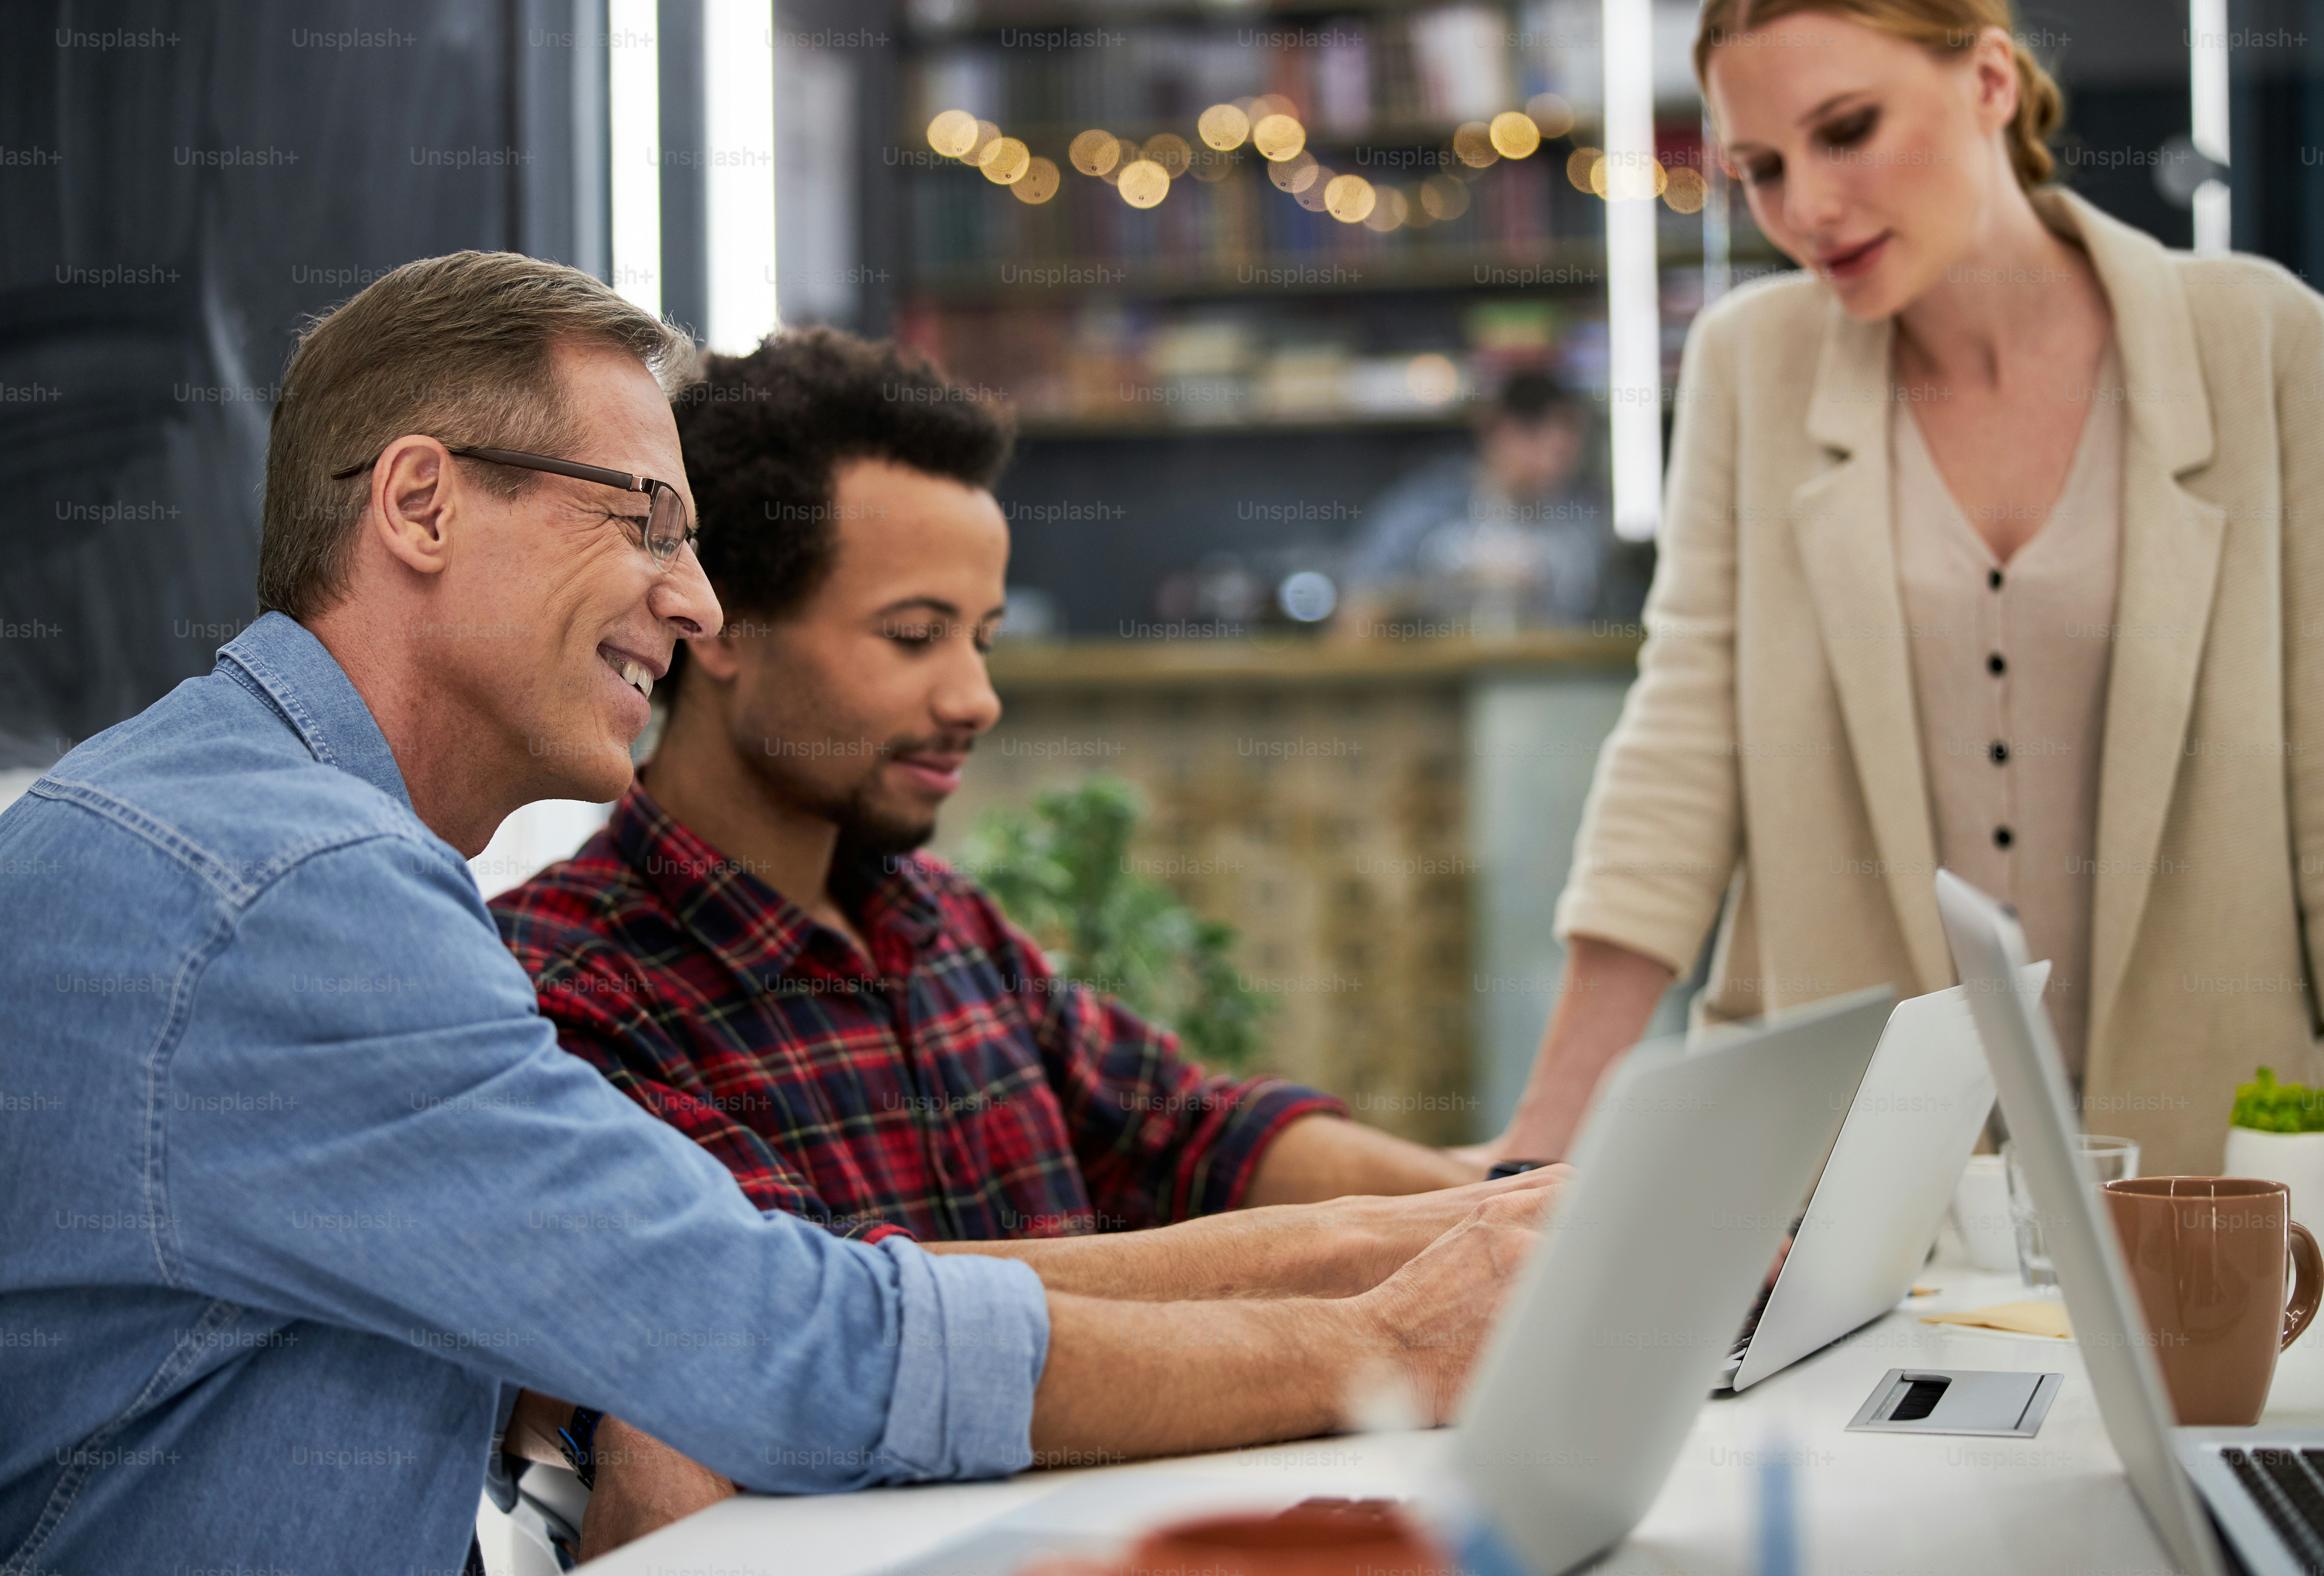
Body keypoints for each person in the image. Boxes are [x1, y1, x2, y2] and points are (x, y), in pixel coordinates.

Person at [0, 252, 1552, 1576]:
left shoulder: (253, 838)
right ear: (419, 503)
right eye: (644, 522)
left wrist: (1452, 1227)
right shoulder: (289, 892)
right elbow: (768, 1338)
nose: (692, 601)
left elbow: (1132, 1154)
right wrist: (1393, 1336)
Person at [486, 327, 1509, 1542]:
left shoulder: (938, 922)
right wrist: (1389, 1269)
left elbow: (1191, 1132)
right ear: (717, 626)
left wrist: (1497, 1205)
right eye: (915, 637)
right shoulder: (559, 992)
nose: (975, 698)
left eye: (984, 638)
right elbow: (822, 1318)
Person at [1478, 0, 2324, 1180]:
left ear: (1991, 81)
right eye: (1762, 170)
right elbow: (1682, 746)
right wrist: (1539, 1144)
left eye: (1847, 131)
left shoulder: (2262, 344)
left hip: (2222, 1163)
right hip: (1849, 1170)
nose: (1807, 210)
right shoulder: (1755, 366)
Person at [1337, 369, 1624, 637]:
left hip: (1559, 681)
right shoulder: (1423, 507)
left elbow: (1615, 617)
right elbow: (1355, 613)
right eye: (1540, 449)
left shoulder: (1586, 517)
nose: (1552, 469)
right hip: (1445, 678)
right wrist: (1439, 590)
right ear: (1497, 433)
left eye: (1563, 455)